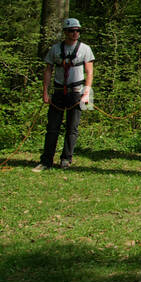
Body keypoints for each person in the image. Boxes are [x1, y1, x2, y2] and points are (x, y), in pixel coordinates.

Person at [35, 18, 95, 171]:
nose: (75, 33)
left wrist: (87, 93)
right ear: (65, 32)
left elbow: (89, 72)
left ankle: (66, 159)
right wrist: (45, 92)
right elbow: (48, 70)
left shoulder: (85, 49)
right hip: (58, 92)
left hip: (76, 93)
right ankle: (46, 161)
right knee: (52, 128)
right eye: (72, 30)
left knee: (72, 128)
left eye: (77, 30)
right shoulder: (55, 49)